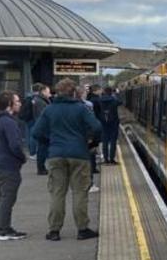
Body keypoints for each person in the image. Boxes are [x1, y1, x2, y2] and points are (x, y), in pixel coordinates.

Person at [31, 78, 101, 241]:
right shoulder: (81, 109)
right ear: (74, 92)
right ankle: (82, 229)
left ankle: (54, 231)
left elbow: (36, 133)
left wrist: (50, 144)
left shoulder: (49, 110)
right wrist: (92, 143)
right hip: (79, 154)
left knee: (57, 192)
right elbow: (97, 127)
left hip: (56, 155)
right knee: (79, 192)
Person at [0, 90, 27, 240]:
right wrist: (22, 158)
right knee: (8, 198)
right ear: (9, 105)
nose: (20, 104)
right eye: (17, 102)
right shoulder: (8, 122)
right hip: (9, 164)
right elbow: (15, 145)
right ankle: (4, 229)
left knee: (2, 196)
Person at [26, 83, 52, 175]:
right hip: (43, 129)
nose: (50, 94)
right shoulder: (41, 101)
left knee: (43, 148)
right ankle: (41, 168)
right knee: (42, 148)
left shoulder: (40, 100)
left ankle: (42, 167)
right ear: (43, 91)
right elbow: (42, 116)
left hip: (41, 127)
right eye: (48, 92)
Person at [97, 86, 121, 164]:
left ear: (104, 91)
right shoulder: (114, 100)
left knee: (105, 141)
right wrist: (116, 94)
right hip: (113, 122)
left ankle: (105, 159)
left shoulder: (99, 100)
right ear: (111, 92)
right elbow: (121, 102)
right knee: (113, 141)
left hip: (103, 122)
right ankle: (112, 159)